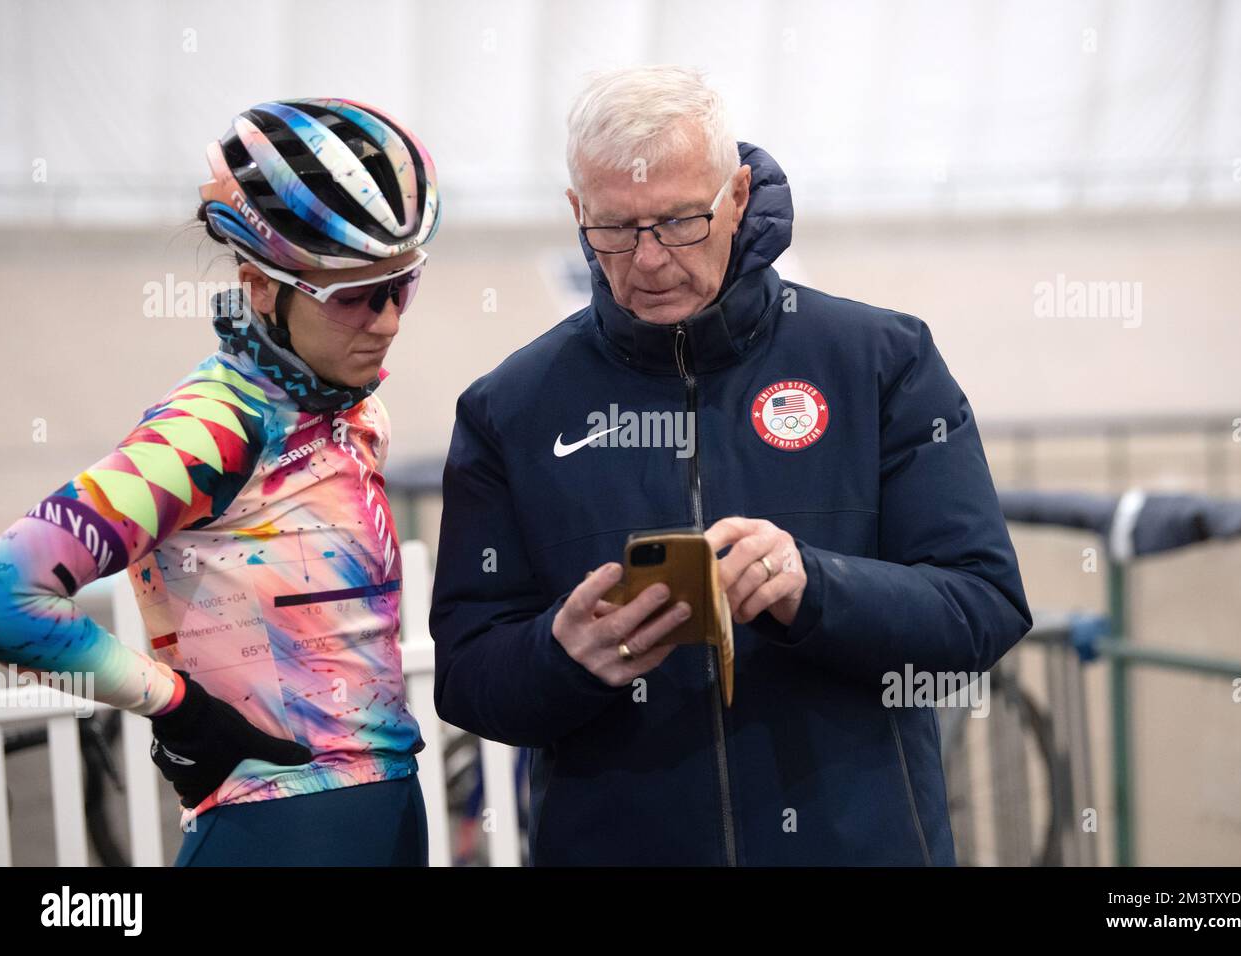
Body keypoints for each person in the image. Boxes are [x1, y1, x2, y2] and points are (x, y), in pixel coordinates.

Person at [429, 66, 1031, 865]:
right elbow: (467, 675)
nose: (647, 260)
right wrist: (561, 655)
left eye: (680, 221)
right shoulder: (510, 409)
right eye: (613, 228)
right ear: (576, 213)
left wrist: (814, 587)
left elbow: (983, 607)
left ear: (738, 195)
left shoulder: (879, 361)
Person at [0, 97, 440, 866]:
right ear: (260, 287)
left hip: (389, 808)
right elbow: (4, 592)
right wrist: (179, 709)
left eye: (402, 286)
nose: (389, 320)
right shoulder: (214, 424)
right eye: (355, 296)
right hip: (277, 825)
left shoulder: (355, 414)